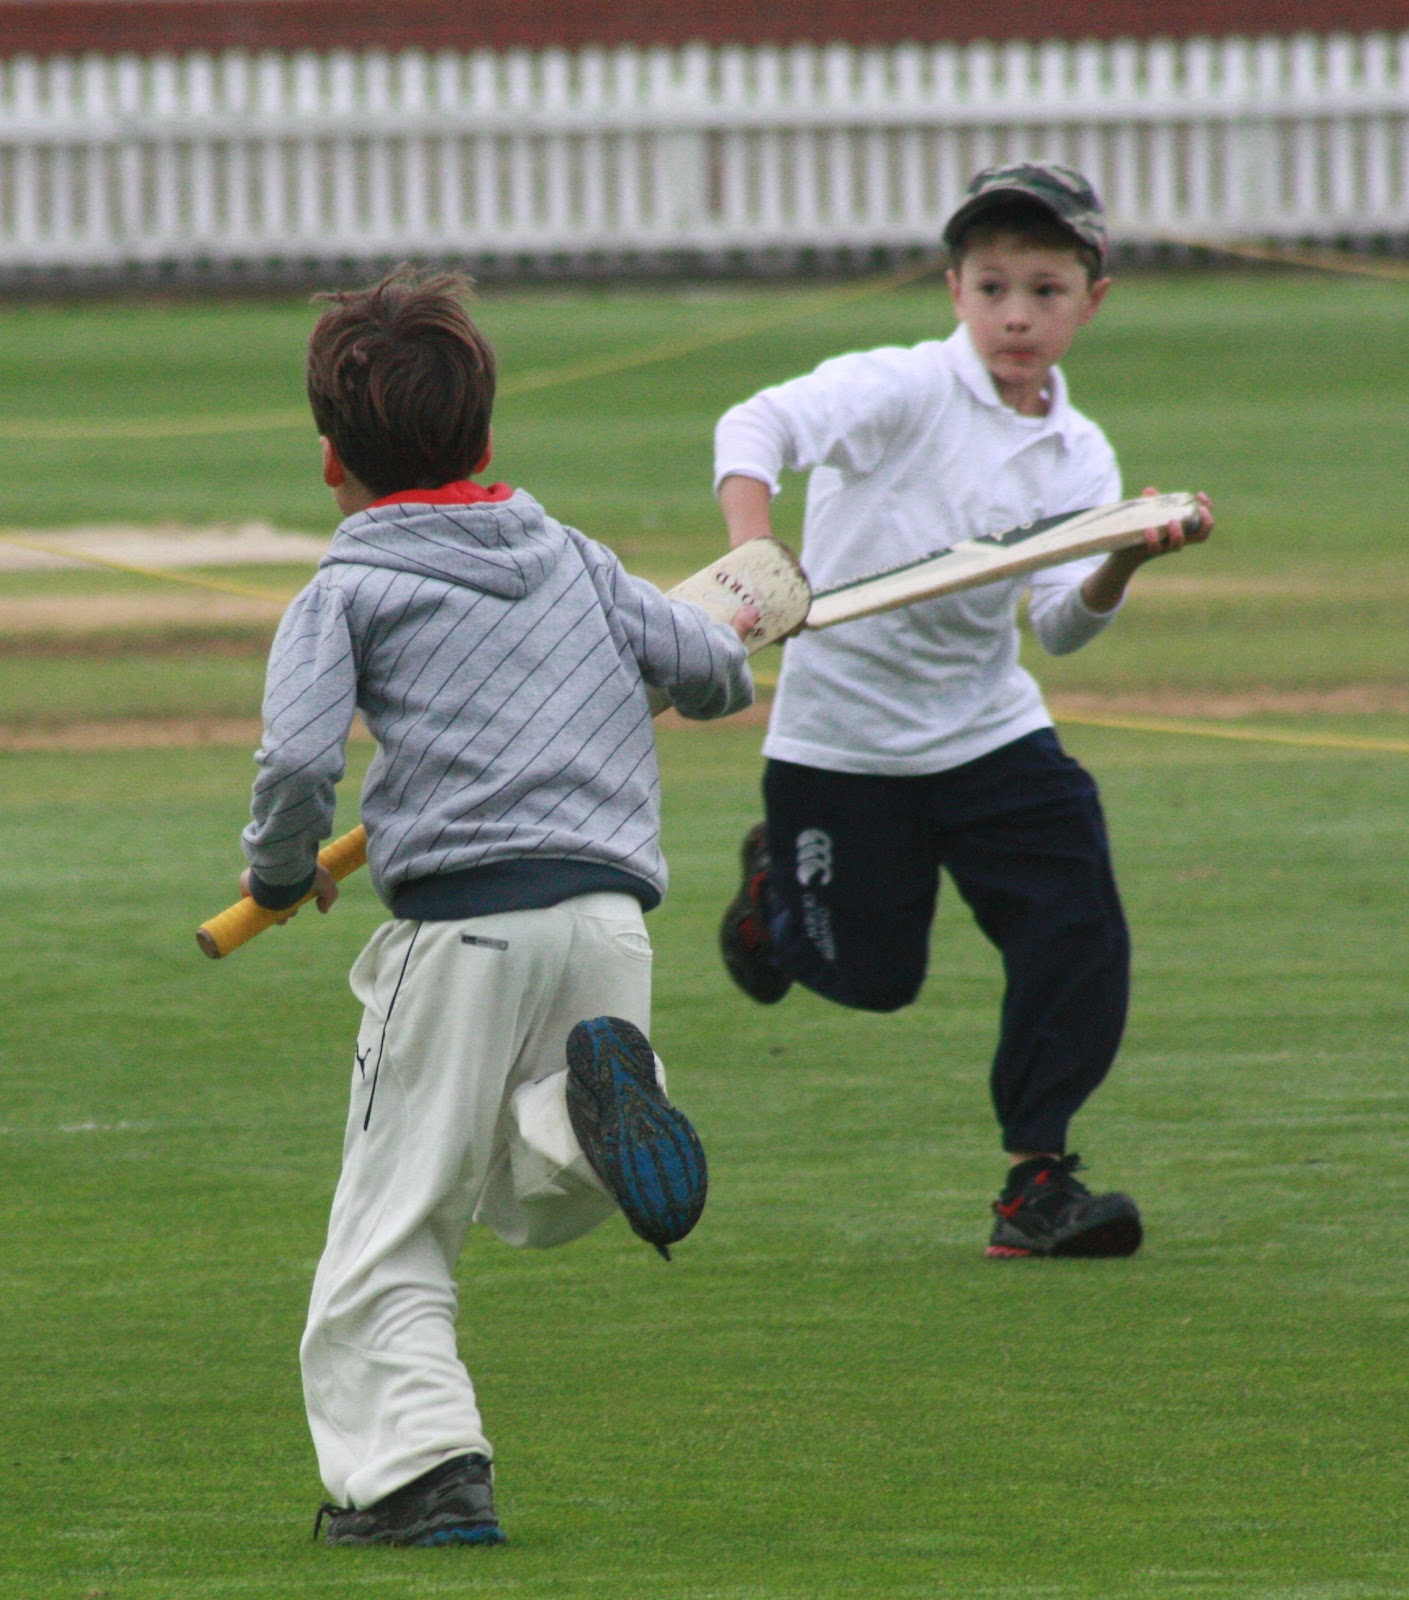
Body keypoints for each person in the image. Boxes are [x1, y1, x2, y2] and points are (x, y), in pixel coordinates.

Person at [235, 266, 758, 1547]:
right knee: (534, 1189)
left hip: (460, 928)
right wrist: (708, 629)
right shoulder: (573, 556)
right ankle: (599, 1116)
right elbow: (713, 674)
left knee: (389, 1232)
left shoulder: (346, 587)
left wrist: (275, 868)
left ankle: (421, 1476)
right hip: (604, 922)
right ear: (484, 436)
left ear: (329, 462)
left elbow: (301, 763)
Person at [713, 163, 1214, 1260]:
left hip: (988, 731)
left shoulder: (1077, 453)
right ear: (952, 291)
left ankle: (1035, 1182)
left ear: (1091, 298)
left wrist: (1119, 559)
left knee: (1073, 921)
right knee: (873, 981)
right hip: (838, 744)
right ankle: (772, 900)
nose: (1016, 316)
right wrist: (755, 549)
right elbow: (752, 426)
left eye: (1044, 288)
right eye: (991, 288)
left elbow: (1056, 628)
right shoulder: (897, 389)